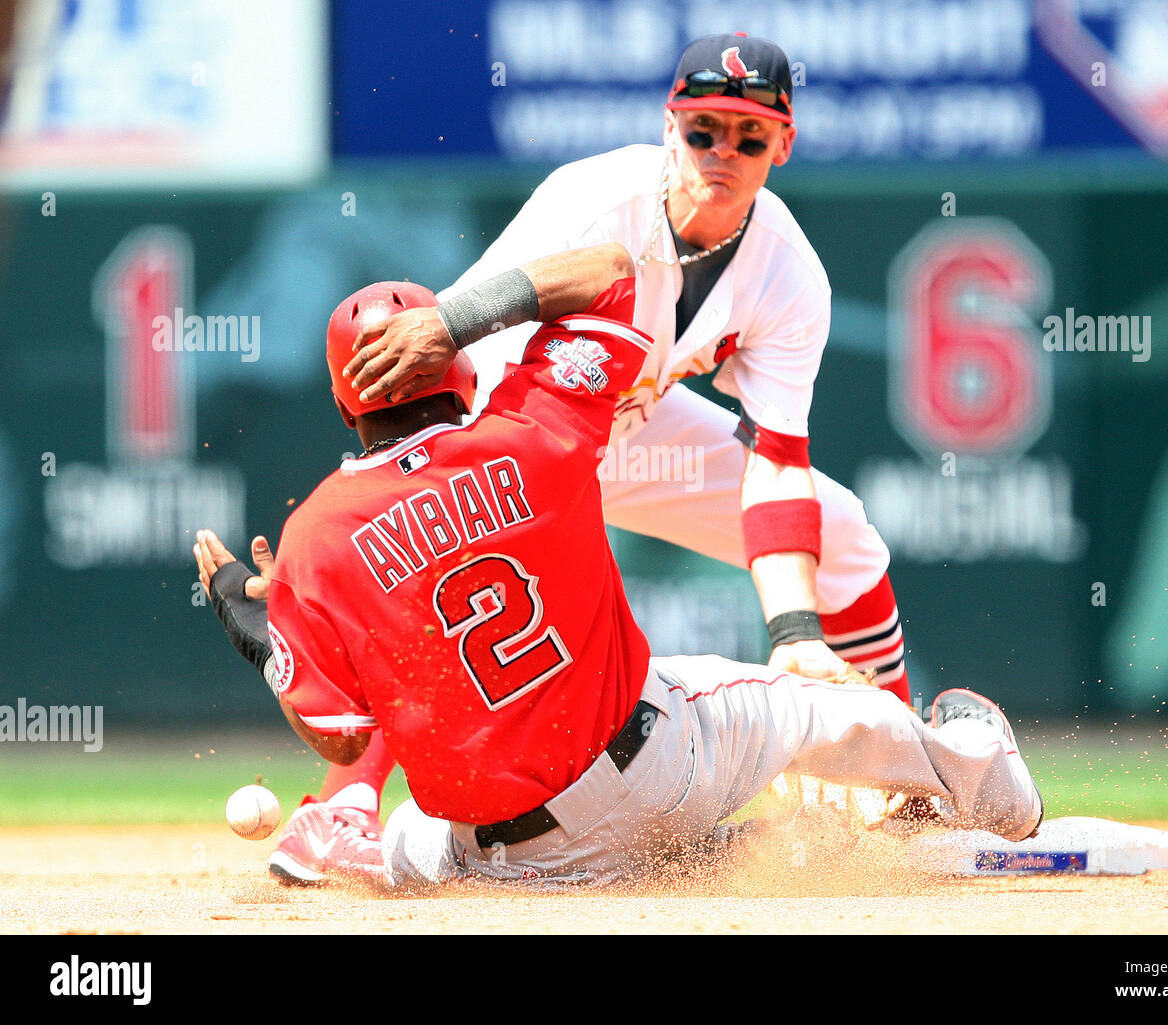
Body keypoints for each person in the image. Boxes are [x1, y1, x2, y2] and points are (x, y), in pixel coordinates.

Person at [260, 30, 929, 884]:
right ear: (670, 126)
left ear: (783, 145)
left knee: (844, 533)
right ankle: (343, 806)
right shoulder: (594, 201)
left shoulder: (789, 274)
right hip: (523, 426)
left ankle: (907, 791)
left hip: (637, 428)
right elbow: (477, 390)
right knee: (444, 562)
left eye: (749, 135)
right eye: (704, 130)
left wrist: (795, 633)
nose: (722, 152)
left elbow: (779, 459)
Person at [195, 245, 1043, 890]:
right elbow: (616, 276)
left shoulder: (312, 541)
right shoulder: (534, 427)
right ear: (452, 367)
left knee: (405, 847)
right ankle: (987, 777)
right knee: (807, 706)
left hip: (493, 858)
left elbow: (338, 734)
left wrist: (258, 627)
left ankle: (717, 856)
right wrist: (456, 317)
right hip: (650, 768)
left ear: (346, 402)